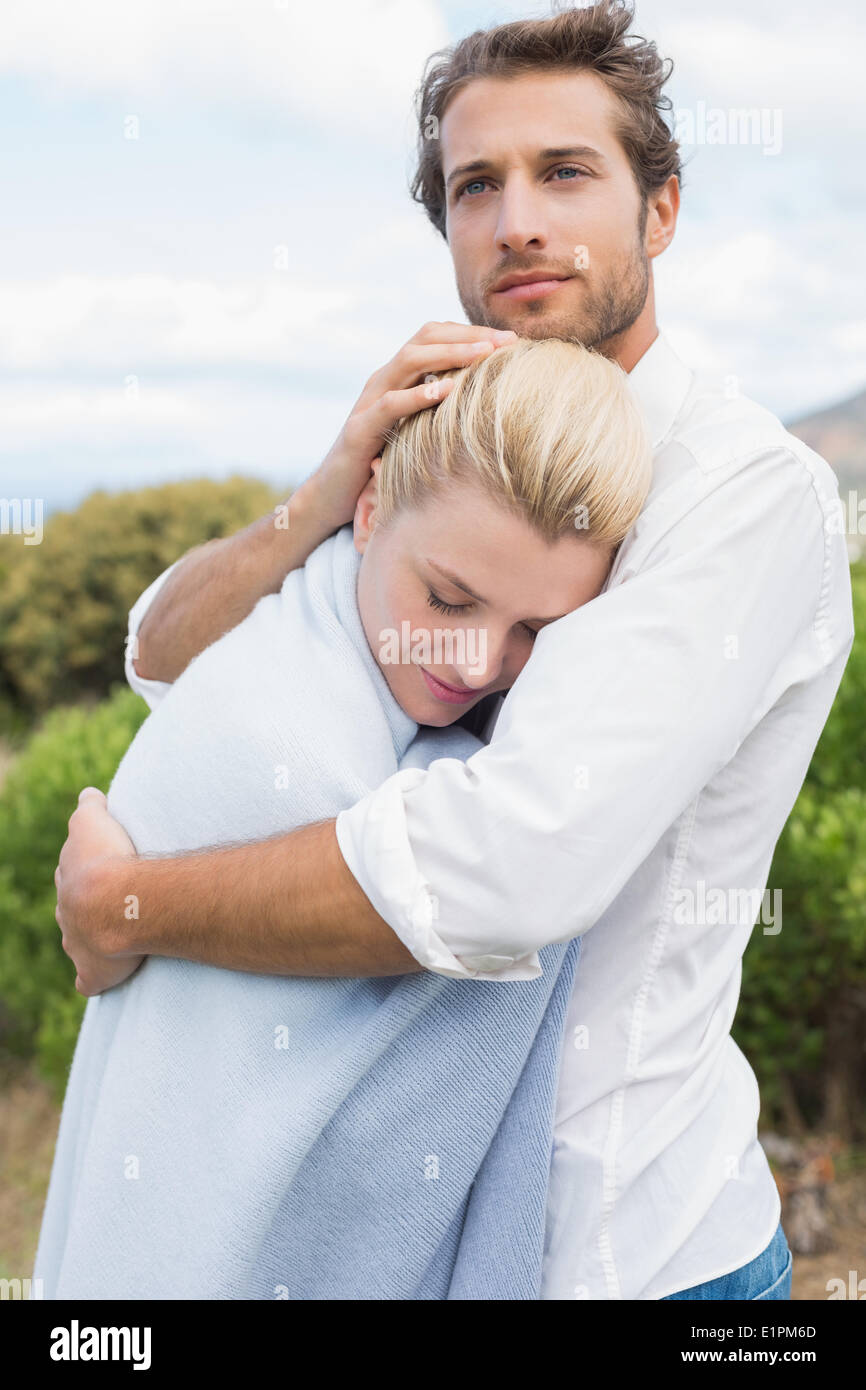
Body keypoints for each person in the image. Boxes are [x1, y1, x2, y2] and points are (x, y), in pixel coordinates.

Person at [54, 2, 853, 1300]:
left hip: (627, 1252)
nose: (516, 219)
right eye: (474, 185)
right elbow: (165, 658)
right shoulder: (449, 439)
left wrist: (128, 904)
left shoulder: (741, 491)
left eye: (565, 172)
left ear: (661, 210)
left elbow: (501, 863)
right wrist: (318, 499)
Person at [36, 339, 652, 1299]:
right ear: (365, 514)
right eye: (448, 599)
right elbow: (155, 652)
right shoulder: (278, 737)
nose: (480, 662)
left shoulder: (372, 645)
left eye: (539, 631)